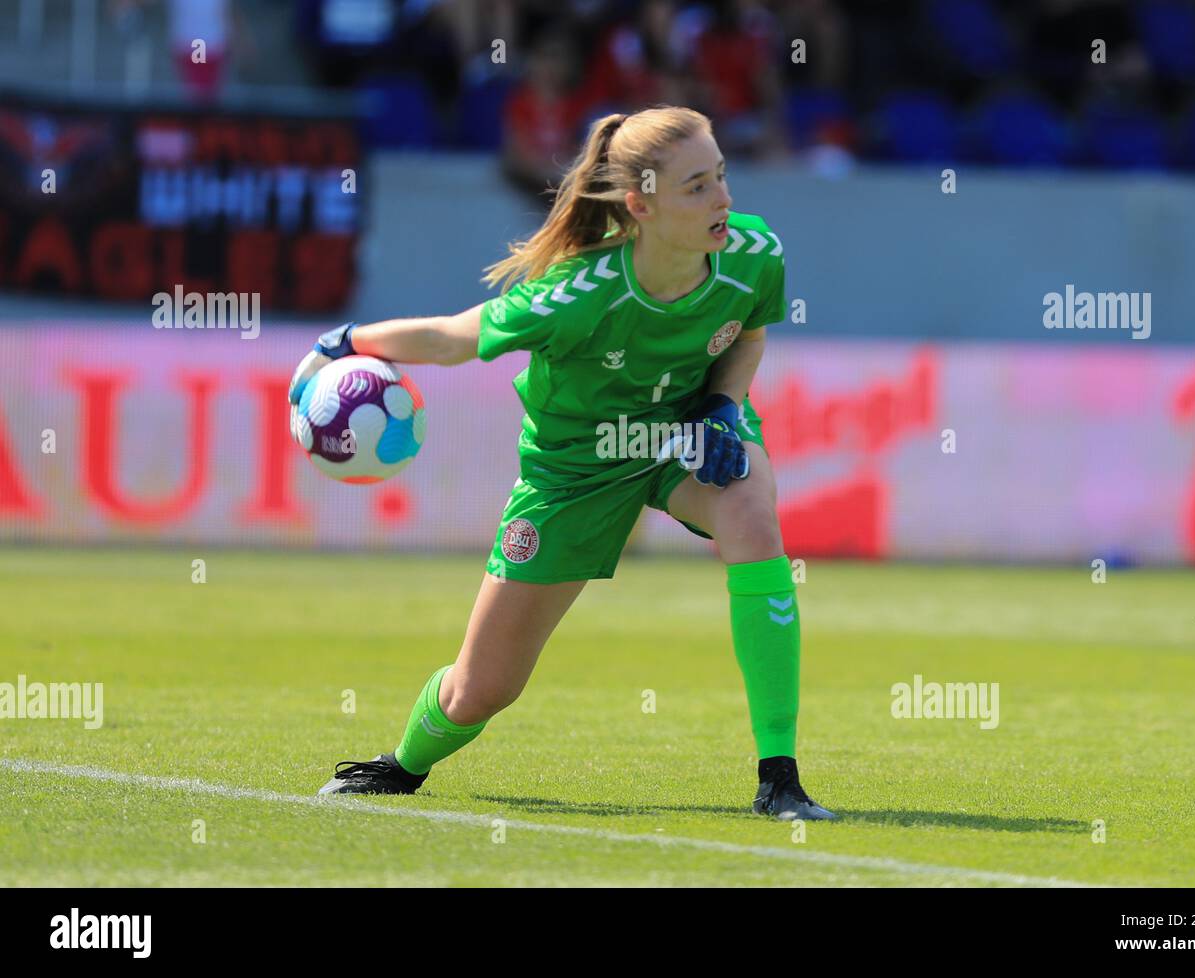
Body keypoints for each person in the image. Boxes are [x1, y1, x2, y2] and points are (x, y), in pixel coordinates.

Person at [288, 105, 835, 820]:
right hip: (577, 465)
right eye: (698, 186)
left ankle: (780, 779)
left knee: (752, 520)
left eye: (722, 177)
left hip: (682, 432)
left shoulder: (753, 252)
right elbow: (452, 338)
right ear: (640, 204)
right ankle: (402, 763)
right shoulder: (574, 296)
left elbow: (747, 336)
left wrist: (725, 406)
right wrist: (345, 343)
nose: (724, 199)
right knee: (481, 691)